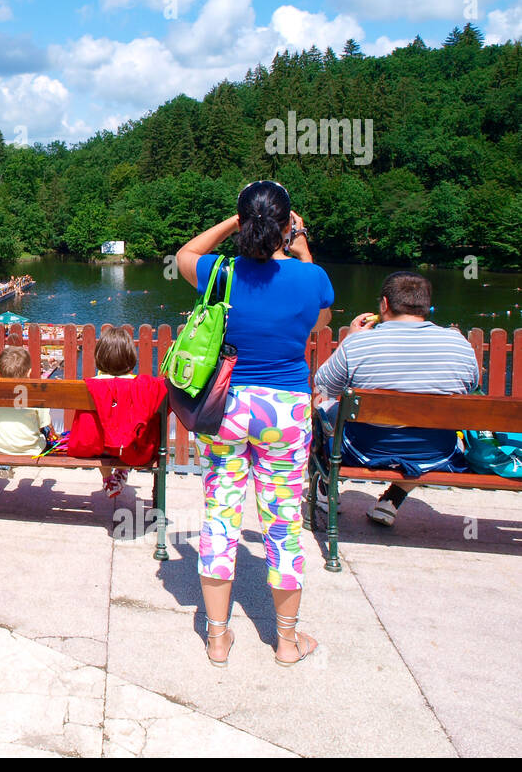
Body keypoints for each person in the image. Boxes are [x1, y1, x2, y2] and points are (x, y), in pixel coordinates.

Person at [176, 181, 333, 668]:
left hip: (228, 406)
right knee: (282, 523)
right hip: (285, 410)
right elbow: (321, 322)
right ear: (287, 225)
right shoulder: (313, 279)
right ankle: (286, 642)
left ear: (244, 223)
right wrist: (300, 244)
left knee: (220, 517)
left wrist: (234, 222)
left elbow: (186, 253)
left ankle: (218, 638)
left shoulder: (219, 272)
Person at [312, 272, 479, 527]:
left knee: (322, 409)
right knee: (423, 430)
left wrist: (352, 340)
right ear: (426, 305)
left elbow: (323, 386)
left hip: (365, 450)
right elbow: (470, 387)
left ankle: (325, 490)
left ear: (385, 305)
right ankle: (392, 500)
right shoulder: (459, 344)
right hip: (436, 452)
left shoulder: (360, 344)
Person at [65, 326, 167, 496]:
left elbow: (86, 425)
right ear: (130, 356)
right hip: (128, 446)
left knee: (105, 434)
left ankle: (107, 478)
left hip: (98, 447)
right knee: (124, 429)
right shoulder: (142, 385)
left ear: (100, 356)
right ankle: (121, 469)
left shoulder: (90, 384)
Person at [0, 346, 52, 457]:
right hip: (32, 450)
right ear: (29, 372)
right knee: (46, 430)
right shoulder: (36, 396)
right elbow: (43, 424)